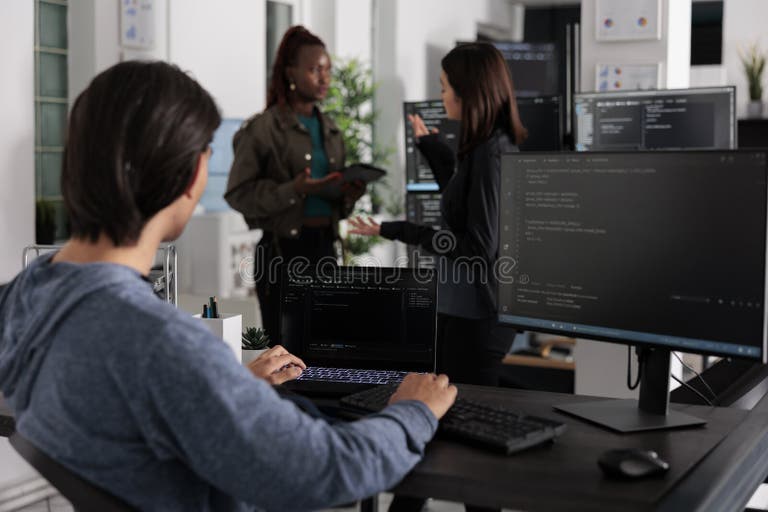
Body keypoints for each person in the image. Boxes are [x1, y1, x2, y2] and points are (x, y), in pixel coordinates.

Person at [0, 60, 457, 511]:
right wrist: (414, 409)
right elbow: (328, 471)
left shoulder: (23, 295)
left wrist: (227, 385)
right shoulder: (161, 344)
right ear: (191, 176)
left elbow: (121, 411)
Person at [350, 44, 526, 511]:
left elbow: (474, 246)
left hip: (478, 317)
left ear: (469, 93)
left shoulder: (493, 152)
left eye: (445, 88)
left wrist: (402, 231)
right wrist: (432, 147)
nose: (441, 95)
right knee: (436, 423)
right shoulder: (480, 148)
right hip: (457, 308)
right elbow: (458, 201)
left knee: (459, 435)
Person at [225, 26, 365, 342]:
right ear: (291, 72)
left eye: (327, 70)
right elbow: (238, 193)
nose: (324, 78)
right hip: (281, 252)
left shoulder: (331, 130)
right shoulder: (263, 128)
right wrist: (296, 190)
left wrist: (347, 195)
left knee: (328, 348)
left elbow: (334, 203)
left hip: (325, 250)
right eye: (315, 70)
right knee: (286, 356)